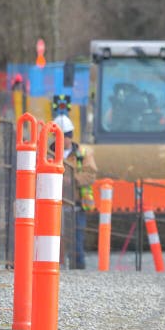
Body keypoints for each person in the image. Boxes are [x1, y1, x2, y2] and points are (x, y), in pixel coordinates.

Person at [53, 114, 97, 269]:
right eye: (61, 136)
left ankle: (78, 270)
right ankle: (58, 270)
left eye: (66, 136)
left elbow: (90, 174)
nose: (64, 140)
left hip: (77, 205)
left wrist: (72, 179)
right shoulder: (47, 153)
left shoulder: (82, 153)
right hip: (54, 205)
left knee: (77, 242)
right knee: (54, 242)